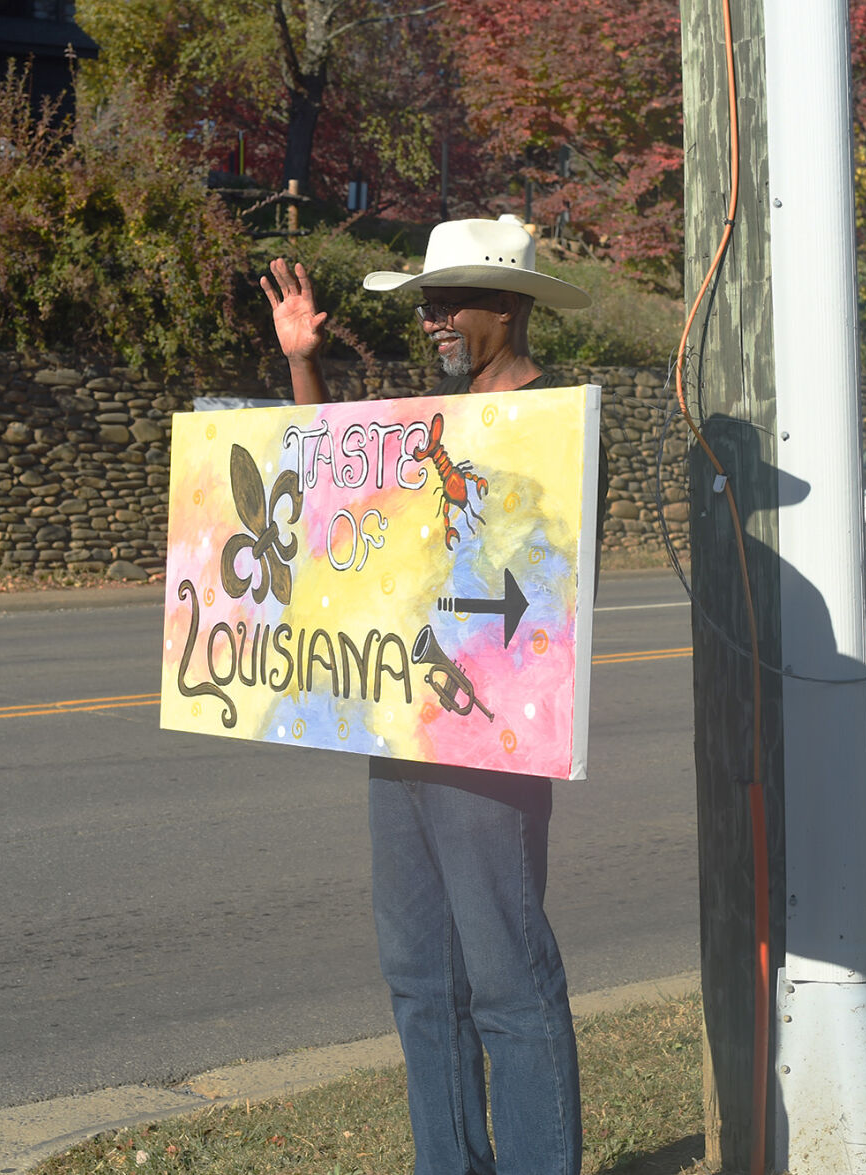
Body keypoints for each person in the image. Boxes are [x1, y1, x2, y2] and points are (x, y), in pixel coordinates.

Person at [260, 215, 592, 1175]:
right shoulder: (426, 426)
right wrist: (302, 364)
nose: (432, 318)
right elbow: (331, 486)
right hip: (398, 726)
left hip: (488, 748)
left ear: (511, 305)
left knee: (507, 981)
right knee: (417, 976)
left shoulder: (557, 419)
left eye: (449, 301)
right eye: (425, 303)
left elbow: (543, 583)